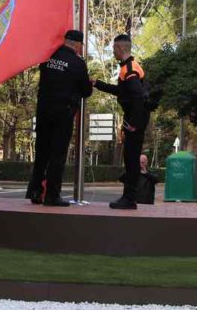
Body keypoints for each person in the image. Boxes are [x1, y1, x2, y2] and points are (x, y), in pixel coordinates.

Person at [27, 29, 93, 207]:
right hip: (63, 114)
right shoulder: (78, 63)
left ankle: (35, 192)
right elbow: (86, 91)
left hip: (43, 111)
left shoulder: (48, 56)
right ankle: (52, 195)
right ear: (78, 45)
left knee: (41, 153)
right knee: (58, 154)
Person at [94, 34, 150, 210]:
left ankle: (129, 199)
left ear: (120, 48)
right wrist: (98, 84)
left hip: (135, 121)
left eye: (113, 48)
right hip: (135, 120)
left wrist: (133, 123)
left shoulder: (130, 69)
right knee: (130, 159)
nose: (113, 51)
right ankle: (128, 198)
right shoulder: (129, 67)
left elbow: (138, 95)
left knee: (132, 160)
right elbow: (122, 92)